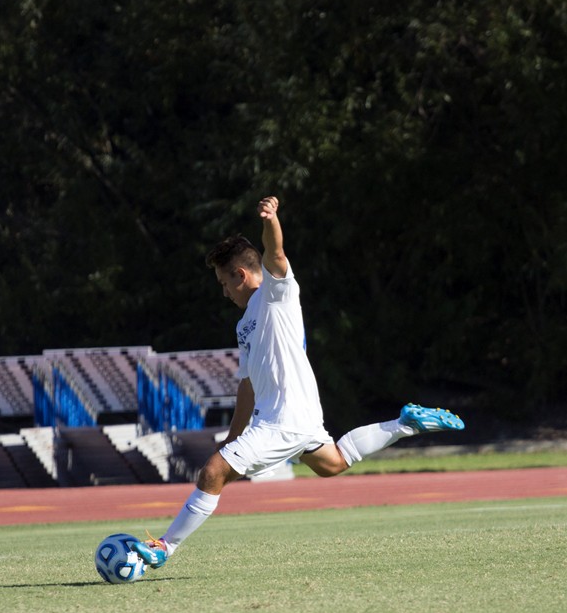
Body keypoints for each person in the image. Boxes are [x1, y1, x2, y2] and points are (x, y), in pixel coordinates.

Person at [130, 196, 464, 568]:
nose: (224, 292)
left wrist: (271, 220)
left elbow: (275, 254)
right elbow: (247, 387)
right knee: (332, 462)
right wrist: (233, 437)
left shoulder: (275, 295)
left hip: (280, 421)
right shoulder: (245, 325)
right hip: (299, 416)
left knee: (212, 472)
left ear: (241, 275)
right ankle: (405, 424)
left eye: (225, 283)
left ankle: (165, 547)